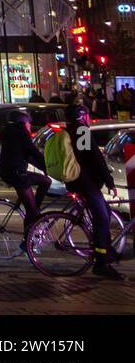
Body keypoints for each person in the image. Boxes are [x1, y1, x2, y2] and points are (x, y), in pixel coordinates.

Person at [58, 104, 124, 279]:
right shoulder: (81, 131)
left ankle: (107, 250)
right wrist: (109, 182)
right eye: (87, 115)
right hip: (85, 184)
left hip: (79, 182)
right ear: (82, 116)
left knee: (106, 213)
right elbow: (93, 159)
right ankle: (101, 262)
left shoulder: (71, 130)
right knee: (102, 218)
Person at [0, 108, 51, 250]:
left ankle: (34, 210)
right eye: (28, 123)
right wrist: (47, 166)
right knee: (32, 211)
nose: (30, 126)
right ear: (23, 122)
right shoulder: (20, 132)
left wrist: (44, 168)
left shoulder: (12, 132)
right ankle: (27, 242)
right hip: (15, 173)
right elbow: (33, 151)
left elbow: (27, 155)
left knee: (46, 181)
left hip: (11, 171)